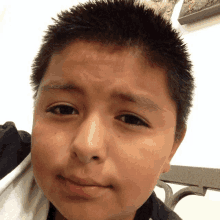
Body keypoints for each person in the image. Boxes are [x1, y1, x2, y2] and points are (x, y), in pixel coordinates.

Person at [0, 0, 195, 219]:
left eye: (131, 119)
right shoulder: (7, 160)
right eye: (63, 109)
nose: (86, 146)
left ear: (172, 147)